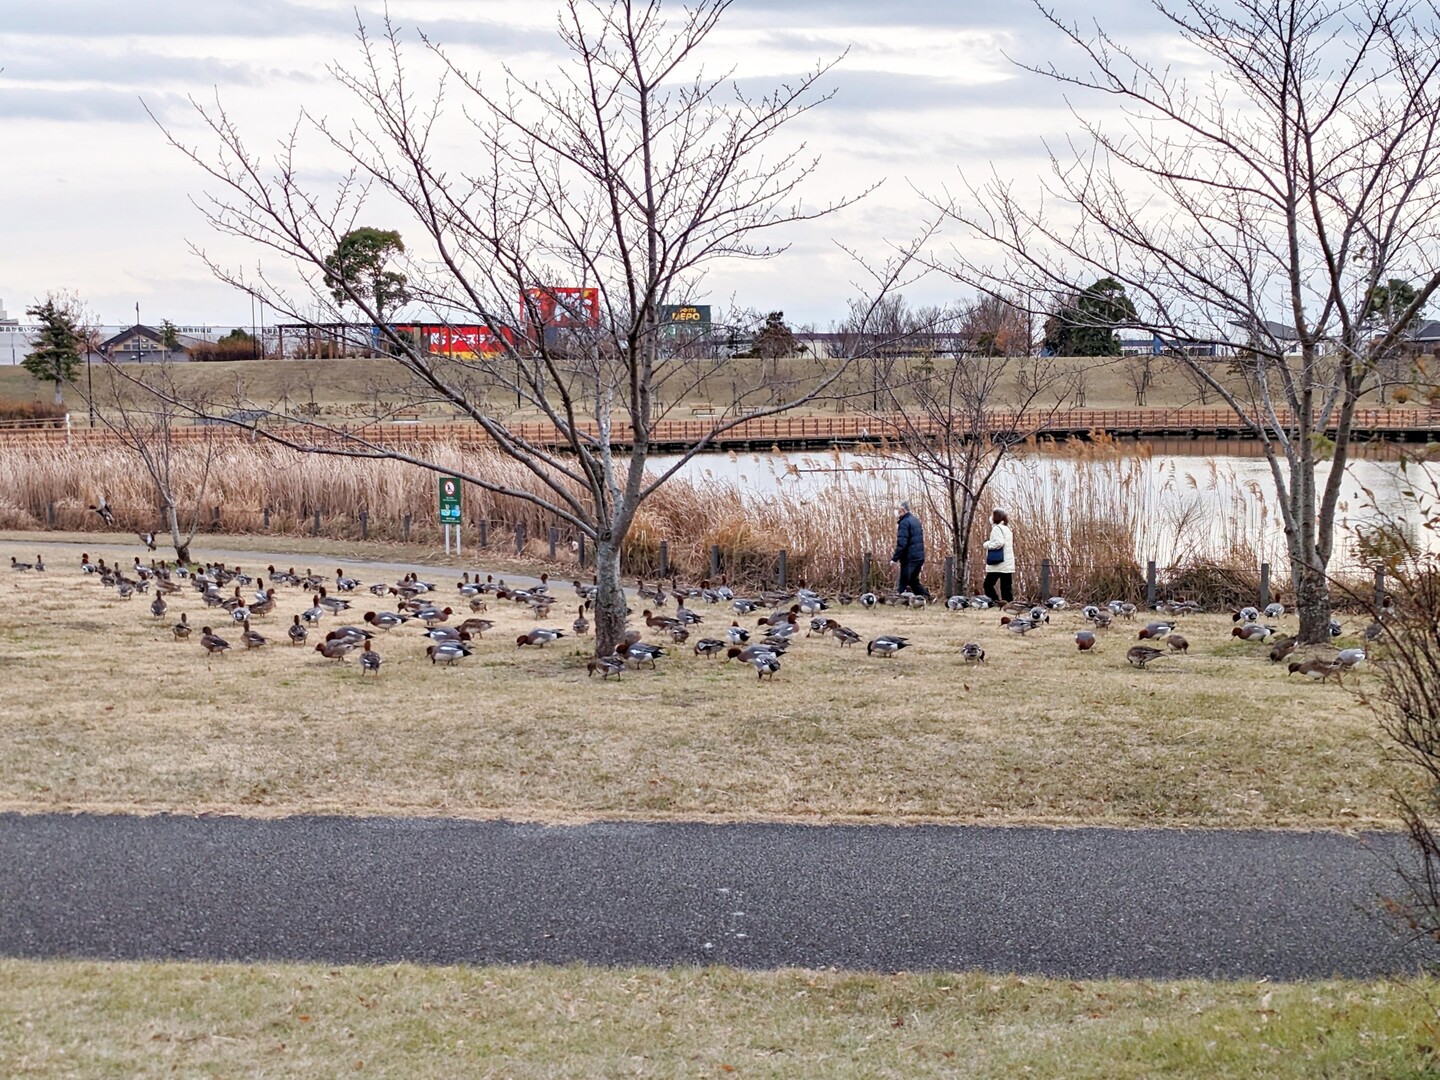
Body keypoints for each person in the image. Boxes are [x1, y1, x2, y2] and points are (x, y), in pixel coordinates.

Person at [890, 501, 931, 600]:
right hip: (919, 557)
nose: (897, 512)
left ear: (903, 510)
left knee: (903, 581)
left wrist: (895, 558)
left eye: (898, 510)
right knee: (913, 581)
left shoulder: (904, 523)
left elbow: (902, 543)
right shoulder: (915, 520)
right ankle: (925, 597)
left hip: (909, 558)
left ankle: (901, 600)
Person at [982, 508, 1015, 604]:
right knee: (1006, 586)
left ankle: (995, 601)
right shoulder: (1006, 529)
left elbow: (999, 543)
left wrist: (987, 544)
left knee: (988, 584)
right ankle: (1008, 604)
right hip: (1007, 562)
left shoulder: (997, 529)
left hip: (998, 562)